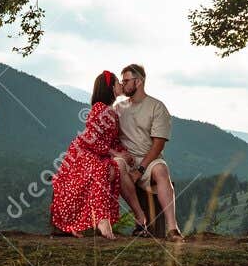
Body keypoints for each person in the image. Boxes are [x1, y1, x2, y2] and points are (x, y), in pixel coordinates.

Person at [51, 69, 148, 238]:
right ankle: (104, 220)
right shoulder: (98, 109)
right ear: (110, 87)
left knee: (115, 167)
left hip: (98, 154)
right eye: (117, 82)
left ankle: (116, 219)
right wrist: (114, 153)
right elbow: (90, 139)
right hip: (84, 154)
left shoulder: (112, 112)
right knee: (103, 171)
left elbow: (113, 140)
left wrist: (124, 154)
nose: (120, 85)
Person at [113, 64, 183, 240]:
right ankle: (138, 220)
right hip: (126, 161)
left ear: (138, 81)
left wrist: (141, 170)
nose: (123, 84)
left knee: (161, 170)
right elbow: (107, 138)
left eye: (126, 80)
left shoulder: (157, 107)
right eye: (121, 81)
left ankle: (173, 229)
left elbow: (158, 145)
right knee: (115, 165)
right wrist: (117, 154)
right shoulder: (118, 108)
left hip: (149, 160)